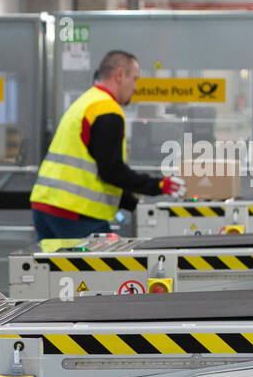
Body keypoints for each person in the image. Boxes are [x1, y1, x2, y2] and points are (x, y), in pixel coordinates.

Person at [30, 50, 184, 241]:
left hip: (46, 205)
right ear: (119, 75)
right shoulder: (107, 110)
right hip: (77, 212)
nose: (135, 87)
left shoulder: (86, 102)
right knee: (96, 270)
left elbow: (96, 167)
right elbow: (111, 170)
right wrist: (158, 185)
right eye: (134, 79)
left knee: (56, 270)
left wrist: (134, 203)